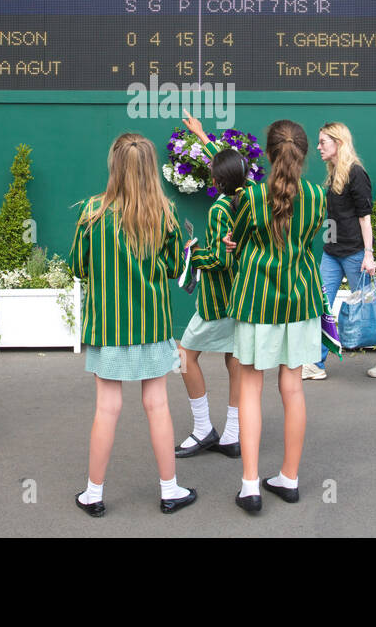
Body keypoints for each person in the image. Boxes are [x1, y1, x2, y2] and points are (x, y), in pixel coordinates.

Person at [70, 133, 195, 517]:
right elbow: (176, 268)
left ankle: (93, 494)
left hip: (108, 326)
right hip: (153, 326)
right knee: (157, 405)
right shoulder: (165, 213)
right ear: (150, 168)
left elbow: (78, 266)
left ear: (114, 166)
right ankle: (170, 490)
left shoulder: (93, 212)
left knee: (107, 408)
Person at [225, 119, 327, 513]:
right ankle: (289, 478)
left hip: (256, 303)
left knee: (250, 388)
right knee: (293, 389)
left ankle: (250, 486)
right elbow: (303, 238)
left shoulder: (249, 197)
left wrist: (234, 242)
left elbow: (238, 239)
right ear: (303, 155)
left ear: (268, 154)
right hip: (300, 303)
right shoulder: (318, 197)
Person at [305, 122, 376, 380]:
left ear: (338, 143)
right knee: (320, 304)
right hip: (332, 253)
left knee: (369, 307)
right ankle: (316, 363)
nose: (318, 147)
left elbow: (365, 218)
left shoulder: (356, 173)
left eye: (323, 142)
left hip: (354, 254)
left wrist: (369, 256)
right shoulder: (333, 173)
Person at [173, 145, 246, 459]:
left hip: (217, 299)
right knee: (235, 359)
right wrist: (204, 138)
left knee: (184, 355)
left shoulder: (219, 209)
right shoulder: (248, 197)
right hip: (242, 296)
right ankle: (233, 434)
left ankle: (203, 429)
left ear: (216, 180)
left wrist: (193, 252)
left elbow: (219, 259)